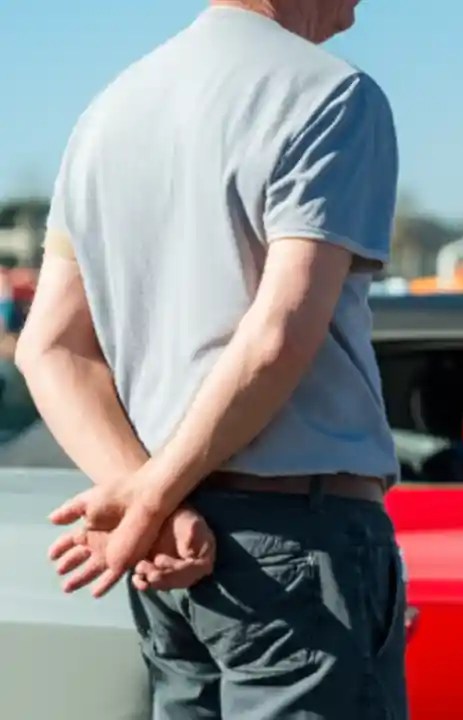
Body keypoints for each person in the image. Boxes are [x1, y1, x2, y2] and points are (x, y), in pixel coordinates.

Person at [18, 1, 407, 717]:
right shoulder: (330, 93)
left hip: (172, 549)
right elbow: (279, 329)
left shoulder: (108, 112)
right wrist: (152, 499)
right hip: (293, 540)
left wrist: (149, 497)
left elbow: (51, 346)